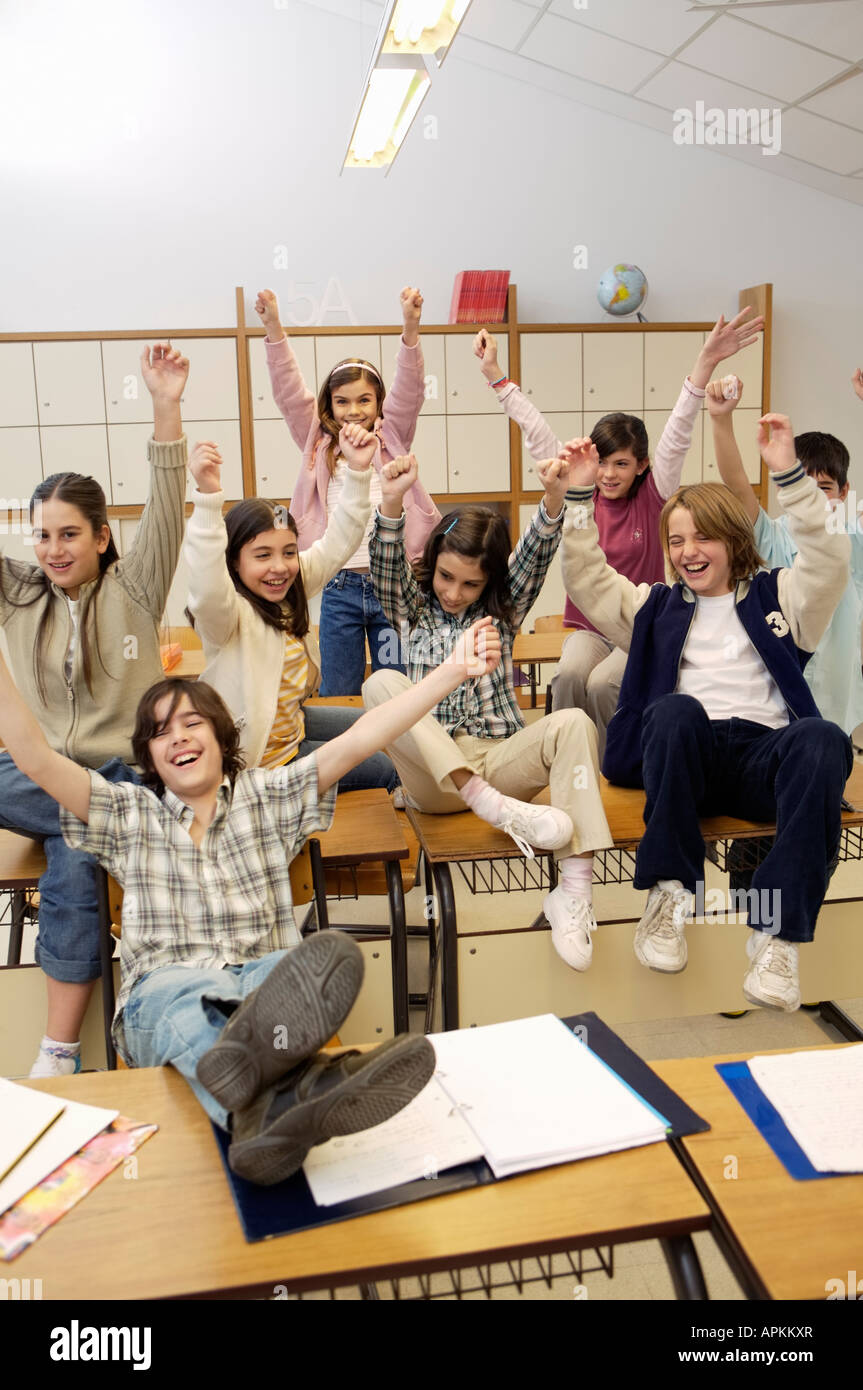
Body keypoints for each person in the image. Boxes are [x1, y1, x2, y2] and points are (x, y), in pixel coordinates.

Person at [0, 617, 504, 1184]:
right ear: (149, 756)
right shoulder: (126, 812)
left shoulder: (270, 795)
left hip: (267, 978)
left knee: (300, 969)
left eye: (193, 723)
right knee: (192, 1000)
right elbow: (34, 758)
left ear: (221, 738)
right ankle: (308, 1085)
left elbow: (367, 735)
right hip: (167, 985)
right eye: (162, 733)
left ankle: (267, 1118)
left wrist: (455, 669)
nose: (179, 737)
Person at [558, 416, 852, 1011]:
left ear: (734, 541)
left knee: (821, 738)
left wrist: (790, 478)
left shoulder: (782, 595)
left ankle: (779, 937)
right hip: (687, 757)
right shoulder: (654, 605)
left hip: (763, 760)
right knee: (672, 711)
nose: (687, 552)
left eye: (703, 538)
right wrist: (582, 495)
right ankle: (669, 895)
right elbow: (587, 577)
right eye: (675, 541)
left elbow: (828, 561)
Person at [0, 343, 189, 1077]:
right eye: (42, 534)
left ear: (102, 537)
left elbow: (168, 500)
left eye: (69, 533)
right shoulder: (19, 594)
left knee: (80, 839)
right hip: (43, 777)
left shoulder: (135, 586)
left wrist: (165, 406)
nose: (52, 549)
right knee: (76, 814)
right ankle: (77, 1039)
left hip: (125, 777)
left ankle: (58, 1051)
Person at [364, 452, 614, 972]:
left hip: (500, 765)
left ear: (489, 583)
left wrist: (554, 495)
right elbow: (387, 566)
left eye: (470, 584)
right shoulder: (411, 609)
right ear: (433, 565)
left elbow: (536, 552)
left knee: (574, 722)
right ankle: (491, 806)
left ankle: (573, 895)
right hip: (437, 780)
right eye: (446, 577)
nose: (454, 593)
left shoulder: (502, 610)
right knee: (381, 683)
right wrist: (392, 500)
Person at [474, 310, 763, 755]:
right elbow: (534, 430)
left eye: (622, 464)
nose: (608, 474)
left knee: (607, 683)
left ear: (642, 465)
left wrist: (705, 363)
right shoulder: (580, 487)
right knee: (570, 675)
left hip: (636, 625)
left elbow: (680, 428)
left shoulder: (655, 493)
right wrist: (495, 373)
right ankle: (566, 761)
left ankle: (618, 766)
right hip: (588, 627)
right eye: (603, 462)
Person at [183, 423, 396, 790]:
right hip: (267, 764)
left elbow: (339, 542)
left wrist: (359, 471)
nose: (279, 567)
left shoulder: (290, 587)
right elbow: (205, 584)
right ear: (233, 561)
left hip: (291, 727)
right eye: (262, 555)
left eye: (287, 552)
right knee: (383, 767)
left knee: (383, 728)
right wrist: (207, 495)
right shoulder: (227, 615)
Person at [255, 286, 440, 694]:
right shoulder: (317, 440)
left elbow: (410, 389)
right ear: (329, 405)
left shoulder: (392, 434)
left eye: (364, 401)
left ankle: (397, 761)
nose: (353, 411)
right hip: (339, 586)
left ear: (378, 404)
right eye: (342, 402)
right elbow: (289, 393)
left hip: (393, 582)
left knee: (400, 691)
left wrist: (411, 327)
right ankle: (349, 759)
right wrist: (273, 327)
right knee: (339, 691)